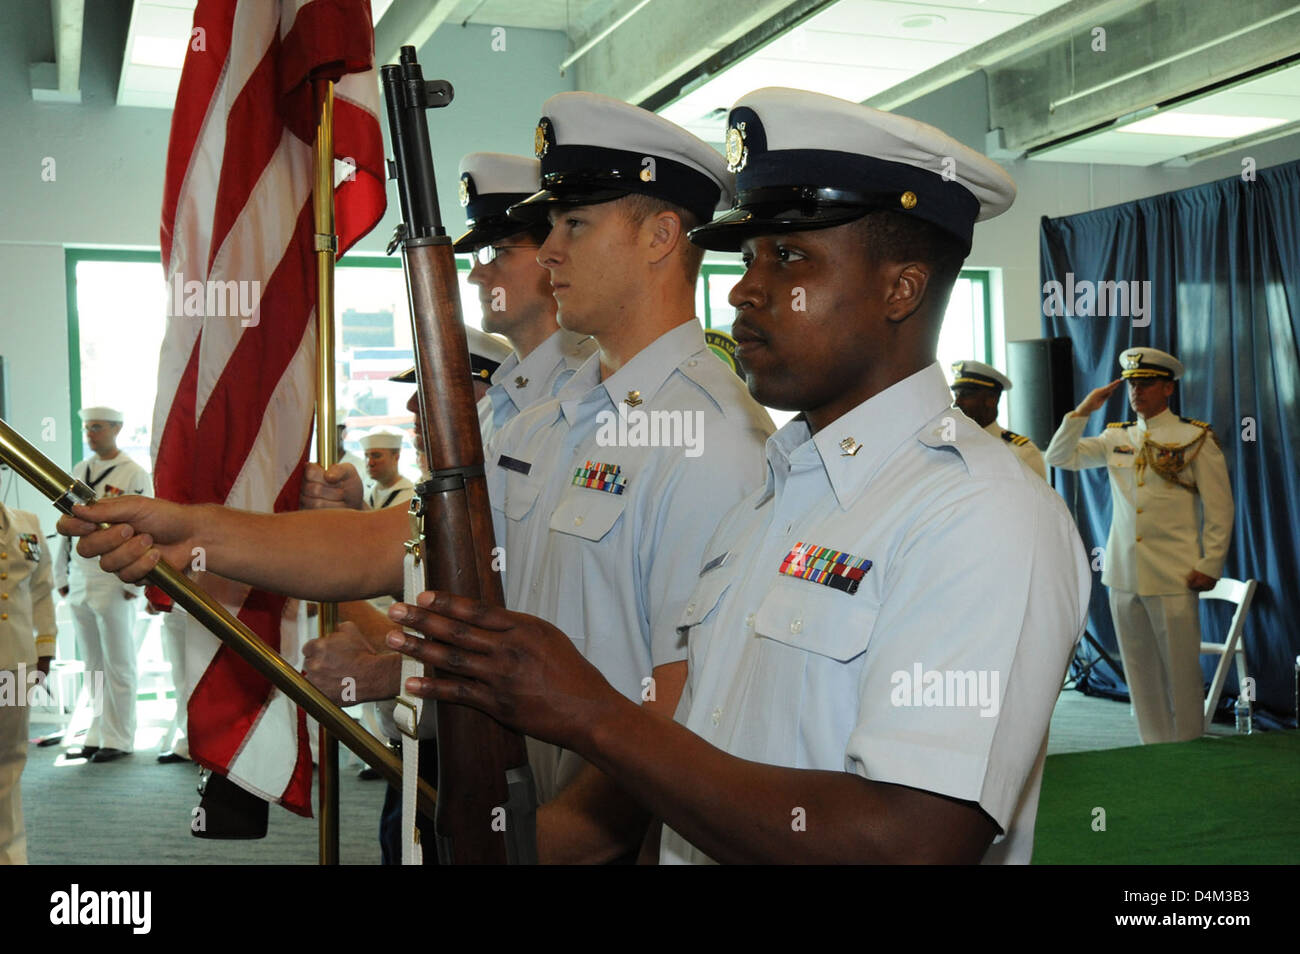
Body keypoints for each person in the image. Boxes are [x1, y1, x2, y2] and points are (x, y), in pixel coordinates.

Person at [59, 92, 773, 864]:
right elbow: (394, 542)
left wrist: (542, 846)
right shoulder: (556, 416)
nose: (550, 250)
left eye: (574, 225)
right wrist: (193, 530)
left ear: (662, 236)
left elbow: (683, 696)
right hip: (525, 806)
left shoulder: (708, 436)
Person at [382, 87, 1092, 864]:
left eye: (789, 257)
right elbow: (704, 746)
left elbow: (911, 840)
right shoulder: (780, 489)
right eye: (751, 256)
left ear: (901, 288)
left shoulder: (980, 512)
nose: (745, 288)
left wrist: (592, 715)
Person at [1044, 346, 1234, 744]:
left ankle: (1187, 746)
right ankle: (1153, 745)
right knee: (1140, 671)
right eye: (1132, 385)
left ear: (1167, 388)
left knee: (1180, 670)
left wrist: (1211, 563)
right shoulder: (1117, 437)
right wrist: (1083, 409)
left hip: (1175, 573)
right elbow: (1060, 457)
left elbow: (1220, 508)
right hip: (1124, 572)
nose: (1137, 392)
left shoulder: (1194, 438)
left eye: (1145, 385)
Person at [456, 152, 596, 443]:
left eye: (496, 251)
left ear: (552, 256)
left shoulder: (592, 389)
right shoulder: (489, 410)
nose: (475, 275)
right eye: (476, 256)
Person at [54, 407, 152, 762]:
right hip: (81, 576)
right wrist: (61, 575)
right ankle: (95, 730)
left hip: (115, 578)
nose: (90, 434)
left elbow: (144, 529)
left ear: (117, 429)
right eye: (86, 428)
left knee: (119, 662)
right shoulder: (80, 472)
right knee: (92, 663)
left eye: (96, 427)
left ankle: (120, 736)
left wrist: (136, 585)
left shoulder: (134, 473)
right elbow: (65, 523)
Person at [0, 496, 57, 863]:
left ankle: (10, 855)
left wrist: (45, 646)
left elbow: (42, 590)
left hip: (15, 661)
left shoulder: (27, 523)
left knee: (9, 761)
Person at [950, 359, 1046, 479]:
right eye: (956, 395)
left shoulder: (1021, 453)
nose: (957, 402)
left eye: (967, 394)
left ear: (992, 399)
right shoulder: (950, 449)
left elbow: (1035, 497)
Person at [359, 429, 414, 511]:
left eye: (376, 456)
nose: (370, 463)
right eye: (367, 456)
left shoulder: (411, 496)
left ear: (396, 457)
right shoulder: (365, 496)